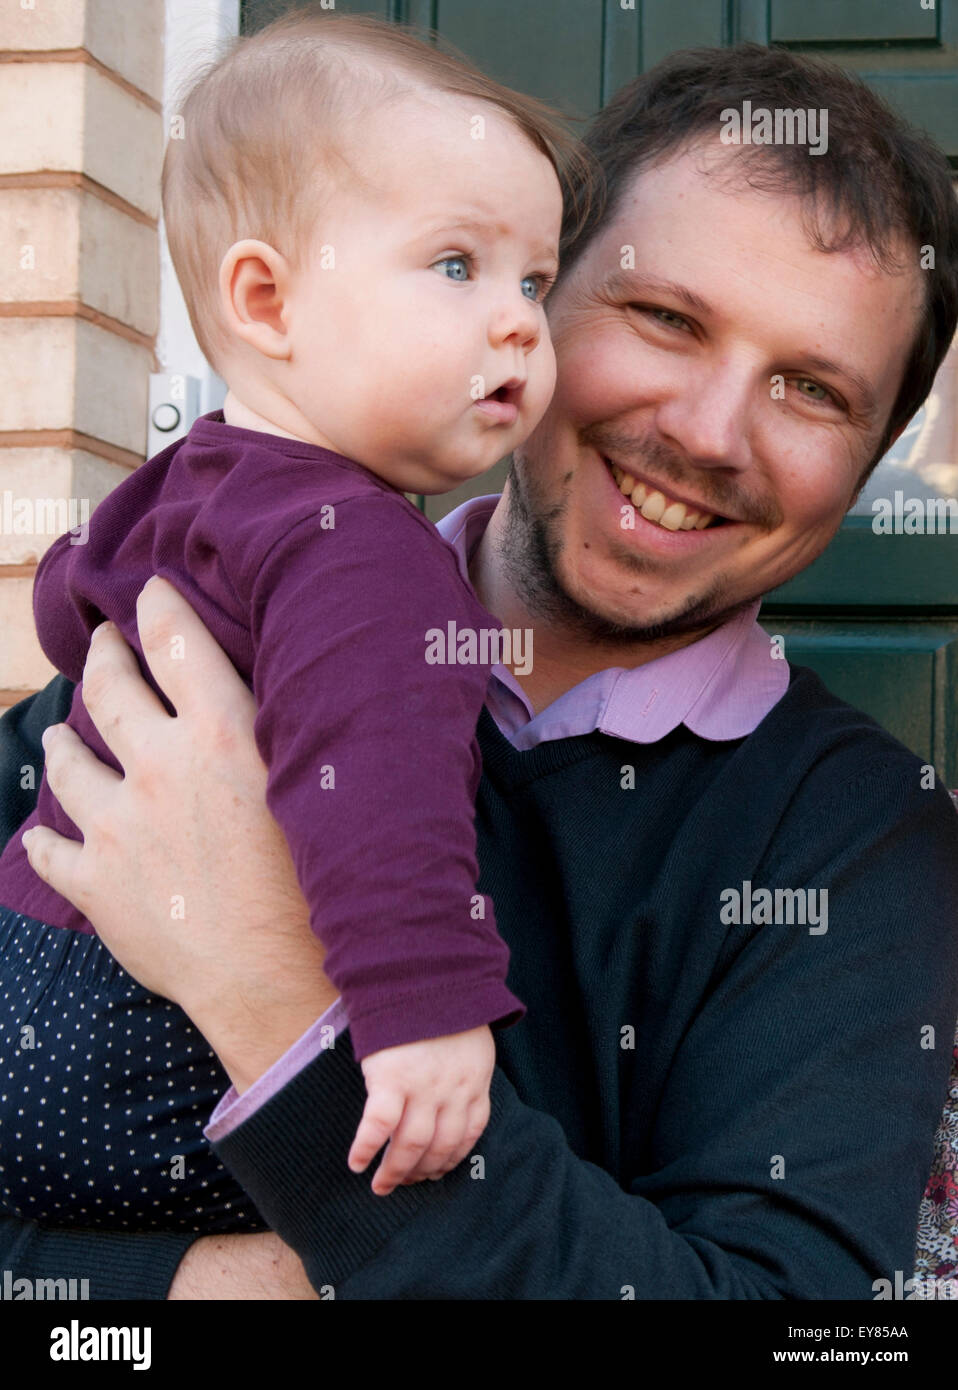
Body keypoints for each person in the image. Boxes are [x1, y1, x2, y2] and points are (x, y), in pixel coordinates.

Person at [3, 39, 958, 1299]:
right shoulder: (183, 644)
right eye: (664, 318)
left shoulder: (861, 849)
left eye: (810, 389)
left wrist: (285, 1007)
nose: (708, 433)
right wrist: (184, 1297)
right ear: (534, 312)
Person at [0, 11, 591, 1213]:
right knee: (378, 1213)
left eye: (536, 278)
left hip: (28, 955)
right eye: (456, 266)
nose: (522, 318)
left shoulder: (196, 474)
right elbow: (371, 783)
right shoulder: (367, 549)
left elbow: (73, 605)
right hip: (138, 1040)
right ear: (266, 301)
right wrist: (425, 1004)